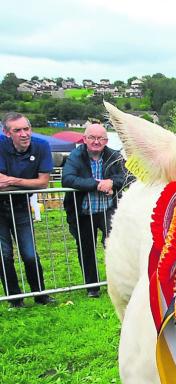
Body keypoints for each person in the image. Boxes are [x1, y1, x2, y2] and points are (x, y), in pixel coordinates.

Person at [62, 123, 126, 297]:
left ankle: (118, 284)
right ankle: (92, 287)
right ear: (84, 139)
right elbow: (67, 179)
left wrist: (112, 182)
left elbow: (127, 177)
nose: (96, 141)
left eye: (100, 138)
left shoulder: (114, 155)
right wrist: (98, 185)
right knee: (86, 248)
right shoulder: (75, 156)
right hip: (83, 212)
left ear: (106, 140)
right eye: (92, 137)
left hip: (108, 211)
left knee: (114, 248)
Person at [0, 112, 54, 307]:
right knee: (4, 254)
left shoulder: (41, 146)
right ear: (7, 133)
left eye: (26, 128)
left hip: (21, 206)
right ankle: (15, 299)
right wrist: (27, 184)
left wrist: (13, 181)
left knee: (29, 252)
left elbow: (43, 183)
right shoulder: (0, 144)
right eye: (17, 130)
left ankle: (41, 294)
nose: (24, 134)